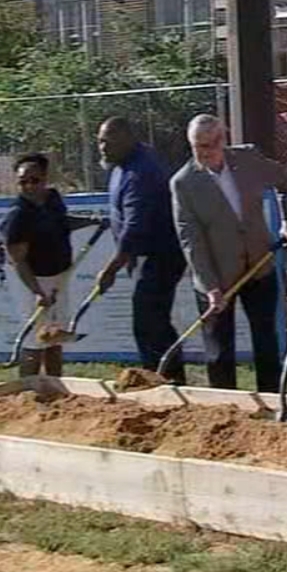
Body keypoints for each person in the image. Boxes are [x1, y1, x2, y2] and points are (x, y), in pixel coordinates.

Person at [170, 114, 287, 392]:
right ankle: (225, 404)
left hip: (259, 265)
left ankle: (272, 400)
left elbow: (285, 180)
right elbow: (190, 239)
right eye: (197, 146)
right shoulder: (183, 183)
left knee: (266, 340)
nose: (203, 153)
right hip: (216, 276)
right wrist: (210, 287)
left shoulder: (248, 159)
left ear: (223, 140)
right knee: (219, 350)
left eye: (209, 145)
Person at [94, 116, 188, 384]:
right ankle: (162, 376)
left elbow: (135, 228)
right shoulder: (122, 166)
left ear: (127, 139)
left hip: (160, 255)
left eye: (107, 141)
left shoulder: (141, 172)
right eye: (99, 141)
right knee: (150, 318)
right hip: (145, 256)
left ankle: (166, 380)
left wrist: (111, 269)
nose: (102, 147)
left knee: (149, 321)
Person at [3, 153, 107, 378]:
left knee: (55, 336)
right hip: (32, 281)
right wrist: (37, 293)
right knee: (35, 339)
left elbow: (62, 223)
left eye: (35, 180)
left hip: (59, 277)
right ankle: (28, 390)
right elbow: (18, 260)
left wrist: (92, 222)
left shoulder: (52, 199)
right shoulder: (18, 216)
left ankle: (56, 386)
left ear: (45, 178)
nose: (29, 186)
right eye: (23, 182)